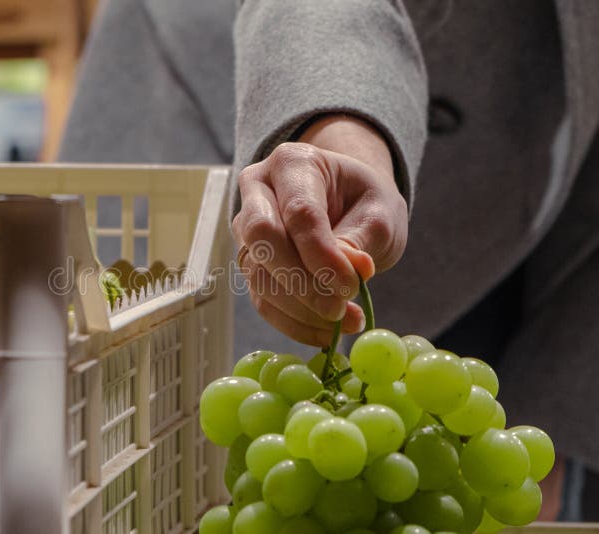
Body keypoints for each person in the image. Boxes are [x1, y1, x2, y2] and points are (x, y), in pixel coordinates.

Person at [60, 0, 599, 519]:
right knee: (159, 445)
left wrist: (556, 405)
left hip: (533, 202)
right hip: (239, 76)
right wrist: (336, 140)